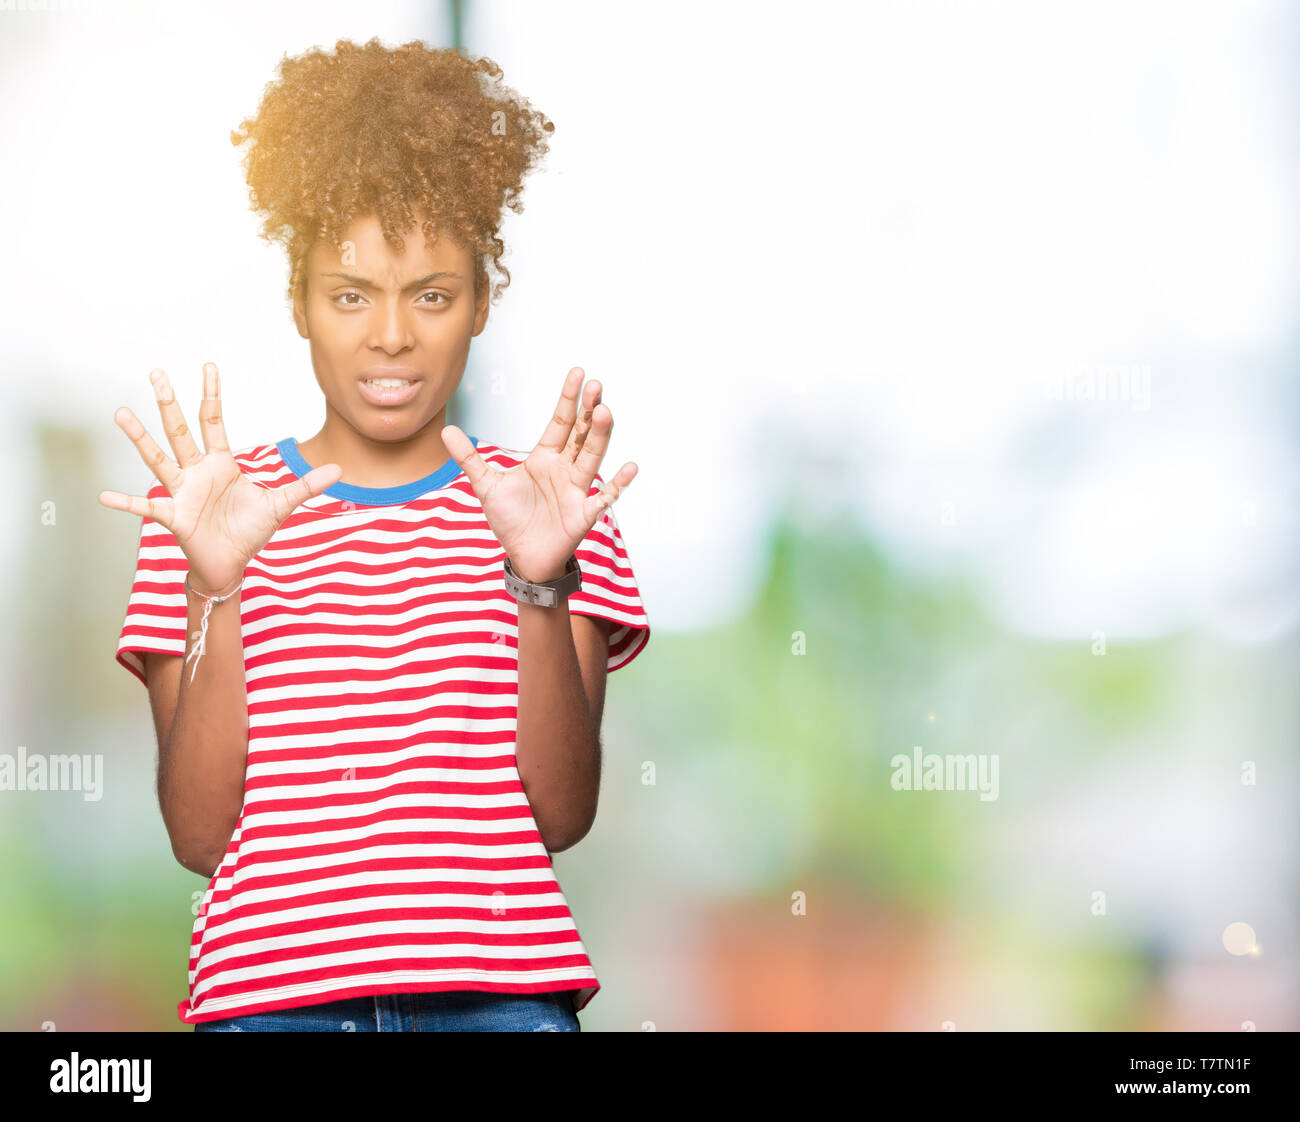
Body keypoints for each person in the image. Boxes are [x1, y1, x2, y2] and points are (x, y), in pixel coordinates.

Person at [100, 38, 650, 1032]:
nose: (390, 335)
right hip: (274, 1008)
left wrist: (541, 580)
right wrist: (214, 588)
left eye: (431, 295)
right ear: (300, 306)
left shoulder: (546, 509)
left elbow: (562, 814)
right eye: (350, 294)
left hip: (500, 1007)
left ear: (480, 302)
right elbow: (196, 833)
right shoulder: (209, 509)